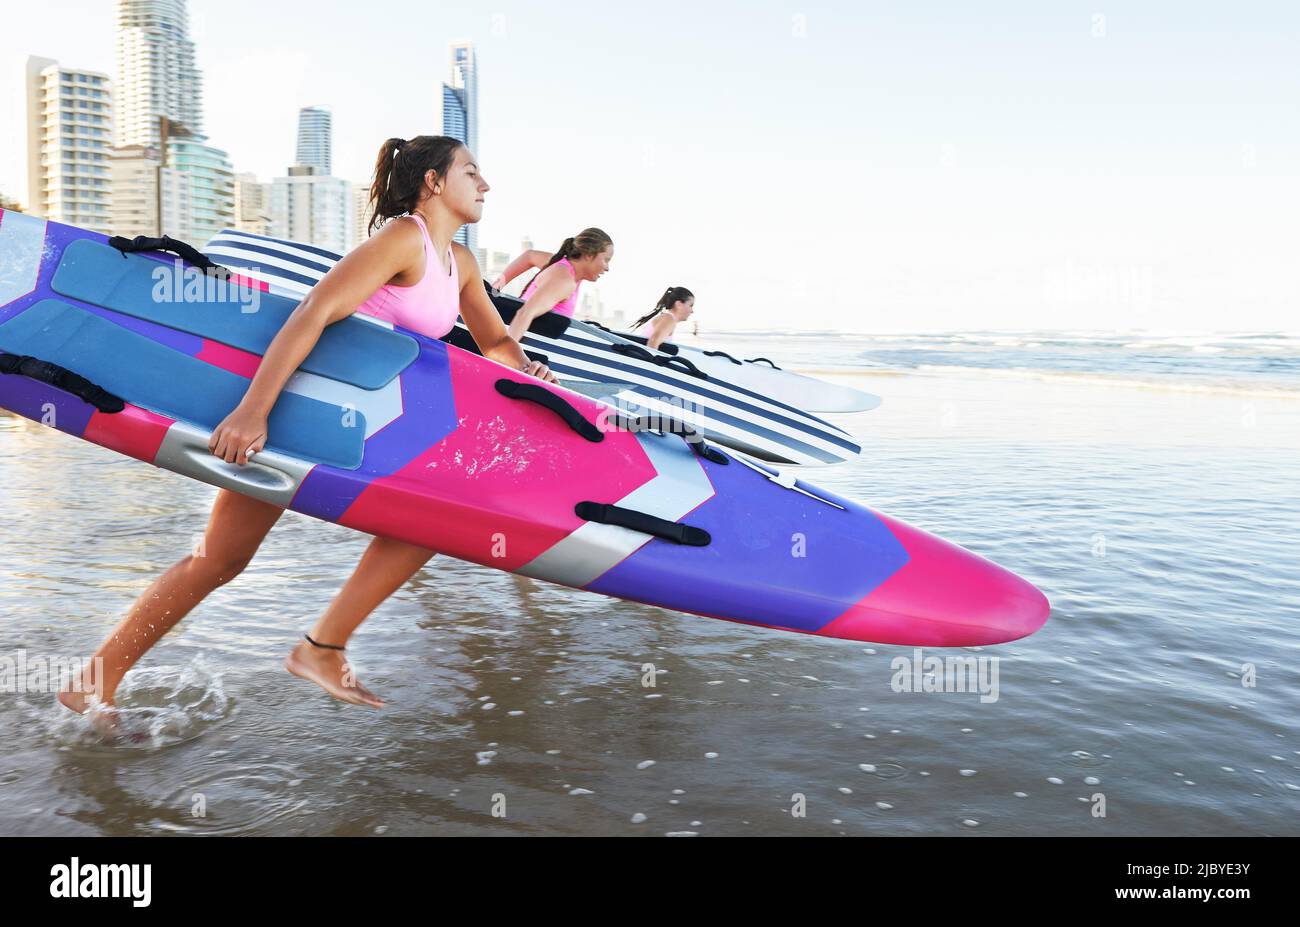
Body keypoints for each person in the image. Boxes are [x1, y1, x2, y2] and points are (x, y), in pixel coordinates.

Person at [59, 135, 555, 716]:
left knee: (438, 517)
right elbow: (314, 309)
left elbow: (494, 340)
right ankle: (95, 680)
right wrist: (254, 410)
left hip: (365, 422)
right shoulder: (402, 239)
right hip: (304, 409)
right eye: (472, 171)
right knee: (219, 561)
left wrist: (527, 369)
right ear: (435, 183)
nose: (486, 184)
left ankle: (322, 647)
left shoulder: (459, 263)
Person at [491, 228, 613, 340]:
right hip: (525, 344)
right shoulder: (563, 281)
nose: (607, 268)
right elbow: (525, 313)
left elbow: (529, 256)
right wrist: (502, 354)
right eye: (606, 260)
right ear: (588, 255)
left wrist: (495, 288)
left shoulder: (562, 264)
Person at [632, 286, 695, 351]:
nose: (692, 311)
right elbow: (653, 342)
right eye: (690, 305)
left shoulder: (667, 318)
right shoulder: (668, 319)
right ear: (679, 304)